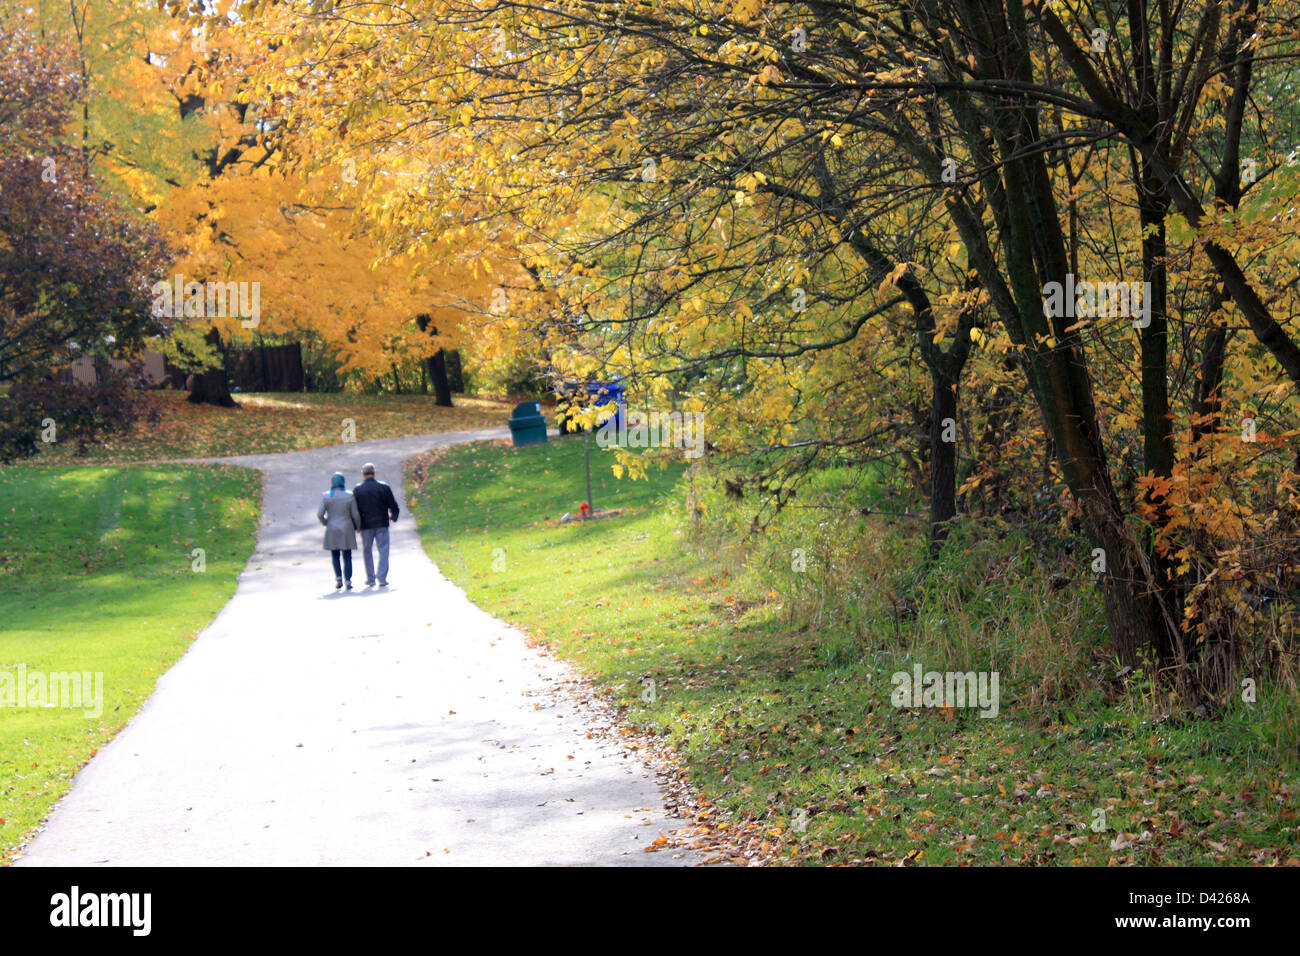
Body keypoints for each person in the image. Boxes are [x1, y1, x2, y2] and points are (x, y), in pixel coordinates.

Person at [353, 461, 400, 587]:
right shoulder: (383, 487)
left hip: (365, 525)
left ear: (363, 474)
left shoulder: (358, 490)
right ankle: (382, 577)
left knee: (367, 550)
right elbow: (393, 505)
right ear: (375, 473)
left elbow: (355, 510)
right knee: (383, 550)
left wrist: (356, 525)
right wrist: (393, 516)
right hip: (381, 523)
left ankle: (370, 577)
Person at [317, 471, 361, 590]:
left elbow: (320, 514)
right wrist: (358, 526)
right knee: (347, 555)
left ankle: (338, 579)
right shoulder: (349, 495)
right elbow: (355, 514)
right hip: (346, 528)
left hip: (332, 528)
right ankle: (348, 580)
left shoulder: (326, 496)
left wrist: (326, 523)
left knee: (335, 555)